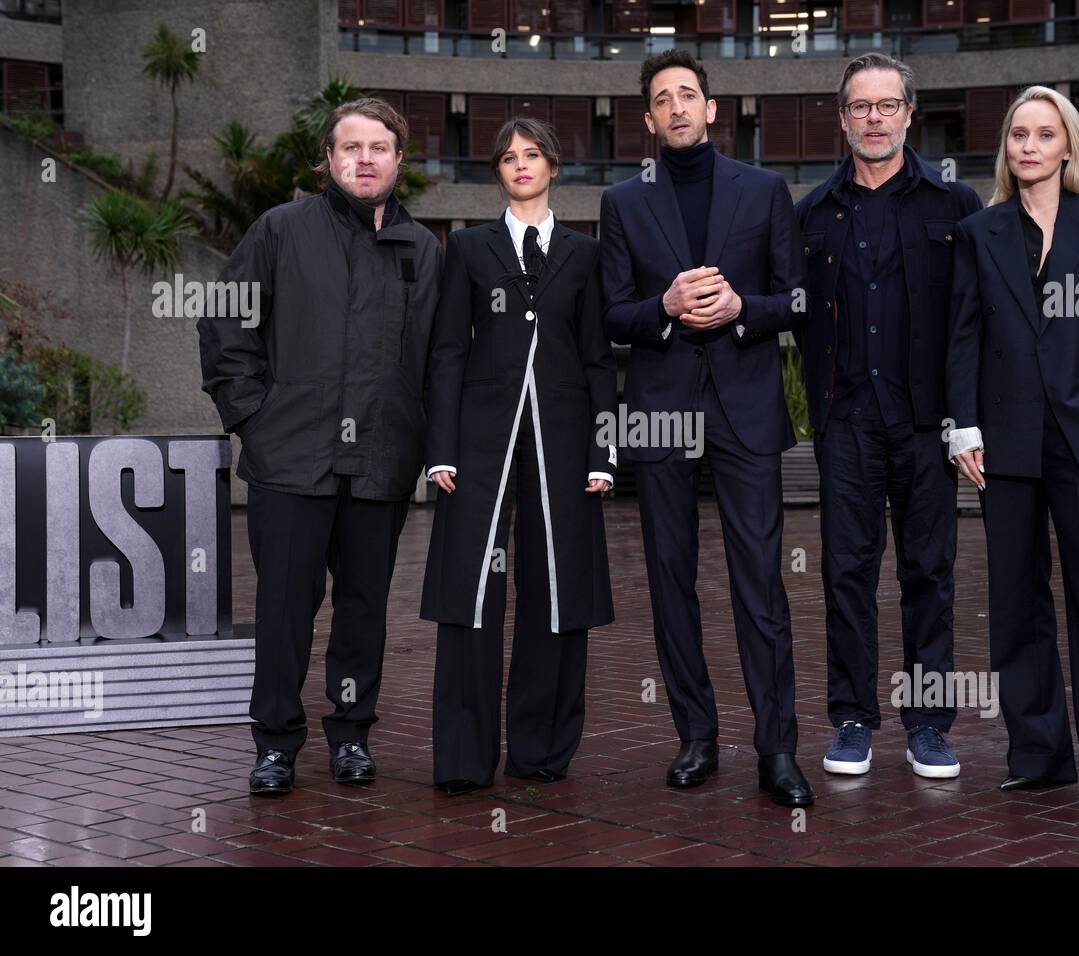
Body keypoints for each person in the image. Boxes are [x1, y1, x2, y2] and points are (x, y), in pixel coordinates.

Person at [197, 98, 442, 795]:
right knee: (283, 609)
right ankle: (275, 743)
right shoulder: (280, 230)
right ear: (328, 160)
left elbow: (438, 360)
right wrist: (255, 418)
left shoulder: (422, 250)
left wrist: (419, 435)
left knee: (364, 609)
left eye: (379, 148)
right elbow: (225, 323)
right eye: (350, 147)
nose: (364, 159)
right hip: (290, 462)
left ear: (399, 161)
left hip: (381, 463)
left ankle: (352, 736)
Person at [946, 85, 1079, 819]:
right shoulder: (982, 233)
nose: (1030, 146)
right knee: (1014, 602)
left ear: (1069, 145)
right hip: (1004, 443)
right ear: (1007, 149)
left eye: (1044, 134)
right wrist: (963, 426)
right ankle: (1038, 756)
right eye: (1018, 135)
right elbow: (965, 336)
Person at [600, 50, 812, 807]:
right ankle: (695, 735)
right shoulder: (624, 202)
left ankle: (777, 749)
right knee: (669, 577)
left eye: (689, 94)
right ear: (649, 119)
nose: (678, 107)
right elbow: (611, 314)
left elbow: (798, 297)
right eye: (663, 98)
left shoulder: (763, 190)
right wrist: (662, 307)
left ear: (712, 108)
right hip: (661, 407)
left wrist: (742, 311)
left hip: (745, 404)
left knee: (760, 584)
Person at [794, 53, 983, 781]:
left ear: (910, 113)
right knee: (846, 572)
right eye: (860, 106)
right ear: (842, 119)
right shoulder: (809, 214)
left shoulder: (953, 205)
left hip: (927, 424)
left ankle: (929, 725)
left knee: (929, 572)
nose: (874, 118)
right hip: (846, 421)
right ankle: (851, 719)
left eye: (887, 105)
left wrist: (969, 419)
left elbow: (974, 320)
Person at [421, 118, 616, 795]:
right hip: (479, 444)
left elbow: (598, 359)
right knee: (470, 591)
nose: (521, 166)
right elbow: (446, 352)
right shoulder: (469, 249)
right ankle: (465, 758)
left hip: (564, 444)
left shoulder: (584, 254)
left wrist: (602, 450)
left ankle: (540, 750)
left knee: (557, 589)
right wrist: (440, 447)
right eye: (508, 157)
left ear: (554, 166)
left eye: (534, 155)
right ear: (497, 172)